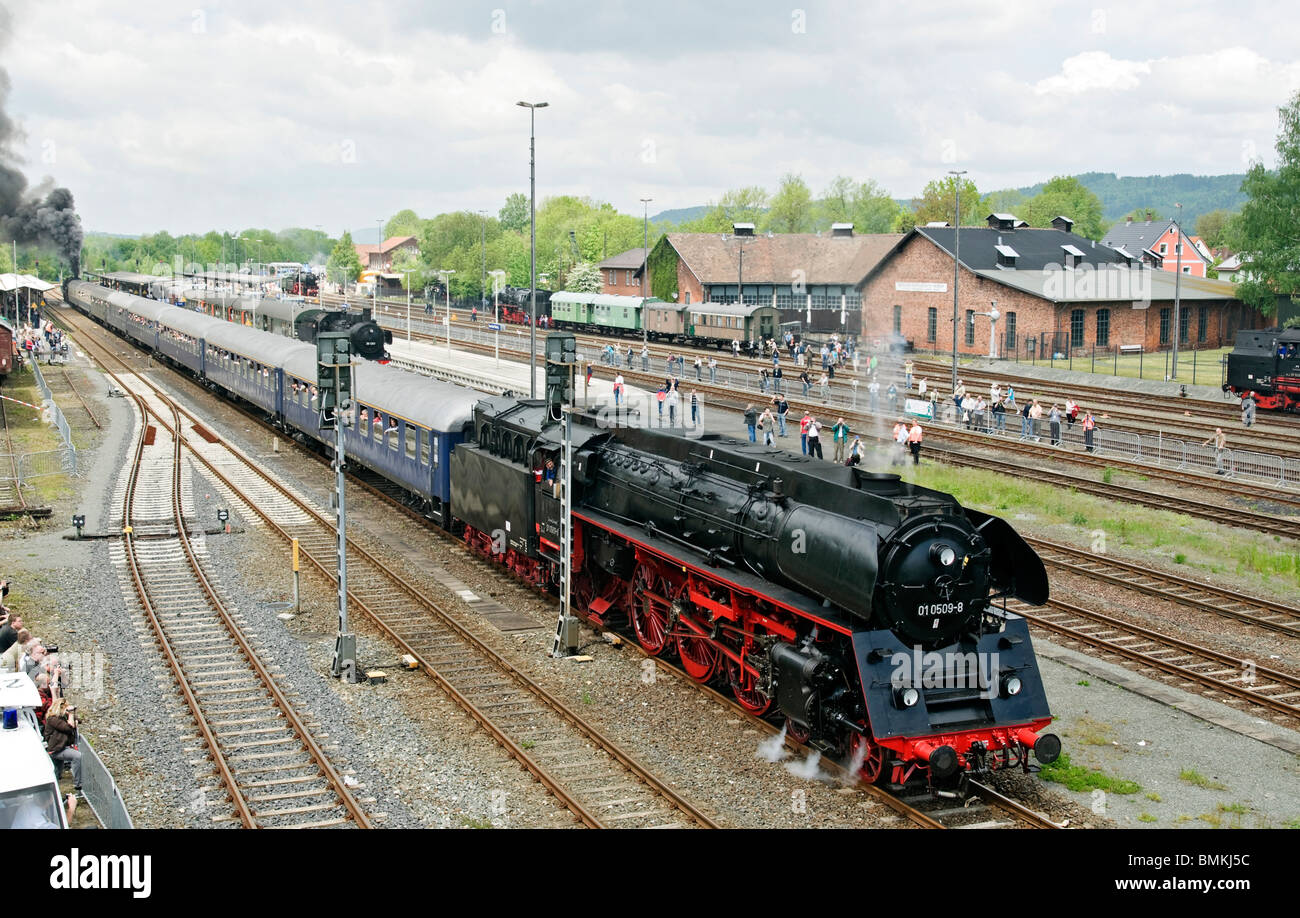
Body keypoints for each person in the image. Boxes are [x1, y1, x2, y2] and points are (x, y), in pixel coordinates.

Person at [44, 698, 82, 792]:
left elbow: (79, 720)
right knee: (77, 756)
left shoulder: (63, 717)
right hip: (56, 749)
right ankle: (78, 784)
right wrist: (71, 715)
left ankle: (53, 791)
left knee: (56, 772)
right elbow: (68, 728)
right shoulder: (52, 719)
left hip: (61, 747)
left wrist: (73, 717)